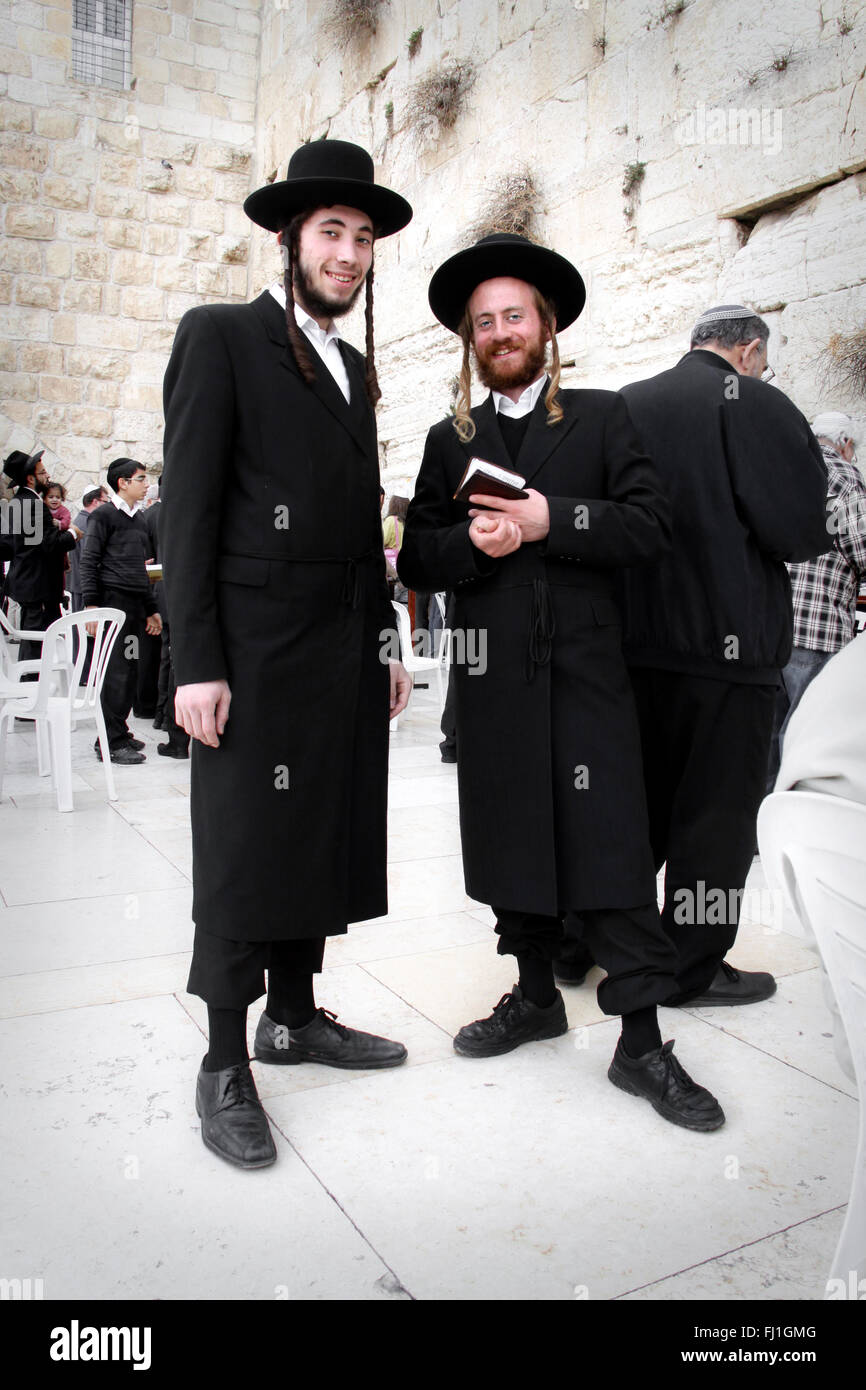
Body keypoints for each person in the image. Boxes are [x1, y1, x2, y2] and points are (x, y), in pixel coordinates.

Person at [399, 233, 724, 1131]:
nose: (501, 331)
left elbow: (652, 526)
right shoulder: (448, 438)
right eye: (485, 322)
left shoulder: (604, 416)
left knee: (610, 849)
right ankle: (536, 995)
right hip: (494, 677)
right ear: (472, 340)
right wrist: (467, 544)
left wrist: (552, 519)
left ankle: (642, 1045)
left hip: (587, 675)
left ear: (547, 326)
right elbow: (417, 553)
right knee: (511, 839)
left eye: (515, 315)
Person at [161, 139, 413, 1170]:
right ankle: (225, 1058)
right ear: (287, 239)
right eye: (330, 233)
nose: (348, 254)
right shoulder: (219, 336)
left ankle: (296, 1015)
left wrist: (389, 637)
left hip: (343, 645)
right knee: (245, 844)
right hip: (254, 653)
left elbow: (362, 520)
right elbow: (189, 508)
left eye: (361, 238)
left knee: (319, 829)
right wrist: (194, 661)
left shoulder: (357, 366)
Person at [571, 303, 829, 1009]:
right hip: (730, 653)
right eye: (762, 362)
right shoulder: (759, 404)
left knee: (632, 812)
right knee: (714, 826)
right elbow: (801, 527)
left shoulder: (625, 404)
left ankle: (576, 943)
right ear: (747, 351)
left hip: (633, 650)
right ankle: (690, 967)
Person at [765, 411, 866, 788]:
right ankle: (797, 820)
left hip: (770, 625)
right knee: (807, 735)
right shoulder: (843, 477)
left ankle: (760, 825)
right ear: (844, 443)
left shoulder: (782, 472)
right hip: (818, 628)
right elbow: (862, 545)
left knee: (768, 734)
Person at [79, 458, 162, 765]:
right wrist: (91, 605)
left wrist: (151, 609)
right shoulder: (103, 516)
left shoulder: (139, 520)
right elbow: (89, 562)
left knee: (129, 672)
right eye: (140, 479)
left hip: (134, 605)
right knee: (116, 673)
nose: (146, 484)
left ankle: (119, 730)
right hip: (112, 603)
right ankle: (109, 742)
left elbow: (140, 571)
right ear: (123, 483)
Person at [1, 449, 81, 665]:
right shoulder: (32, 504)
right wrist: (73, 533)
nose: (47, 476)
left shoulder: (20, 502)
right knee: (36, 644)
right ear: (30, 477)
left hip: (29, 583)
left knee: (35, 642)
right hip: (38, 587)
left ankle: (32, 683)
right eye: (43, 472)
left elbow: (10, 546)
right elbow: (48, 545)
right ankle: (32, 685)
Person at [68, 487, 109, 613]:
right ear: (95, 502)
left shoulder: (80, 520)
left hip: (80, 585)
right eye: (105, 502)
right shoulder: (88, 522)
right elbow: (89, 558)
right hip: (85, 587)